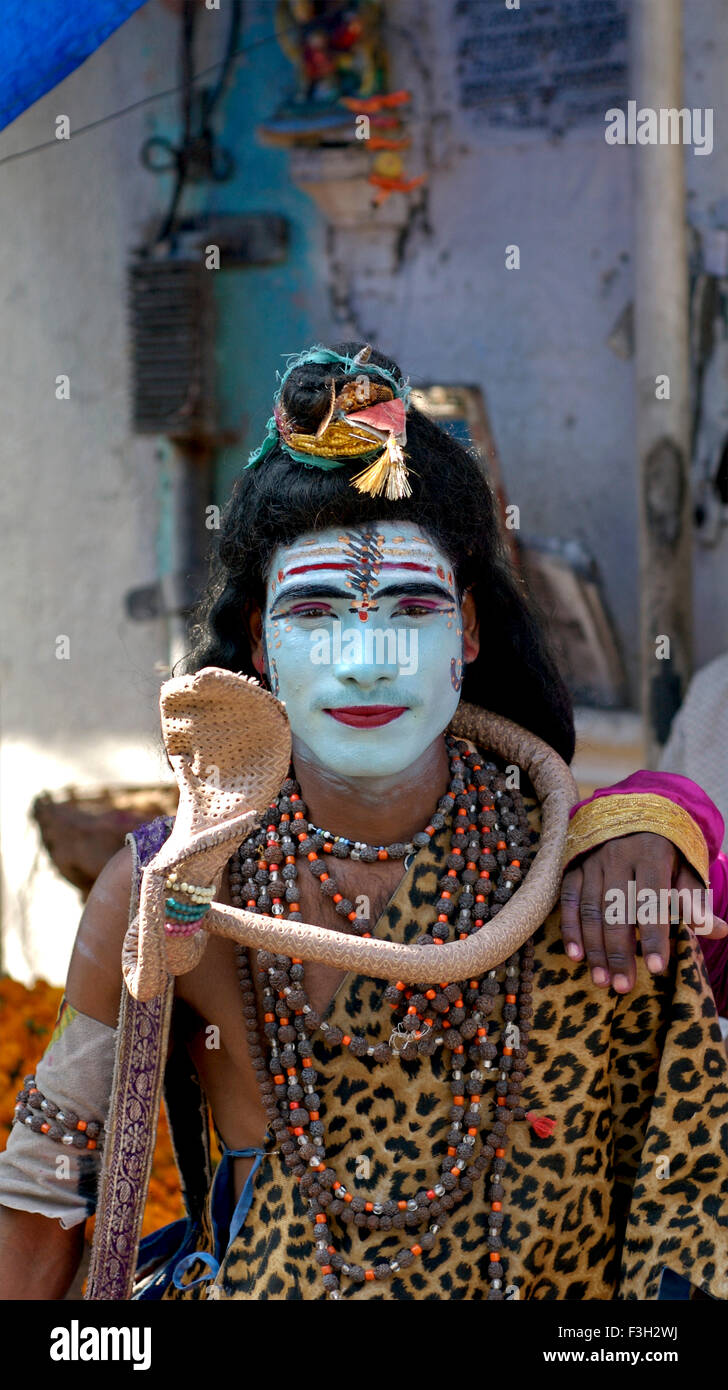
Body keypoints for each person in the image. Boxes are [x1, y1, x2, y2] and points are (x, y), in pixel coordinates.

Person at [1, 342, 727, 1303]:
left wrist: (667, 821)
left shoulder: (590, 883)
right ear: (259, 642)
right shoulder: (169, 890)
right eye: (315, 612)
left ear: (467, 633)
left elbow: (685, 1205)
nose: (365, 658)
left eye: (410, 608)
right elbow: (42, 1193)